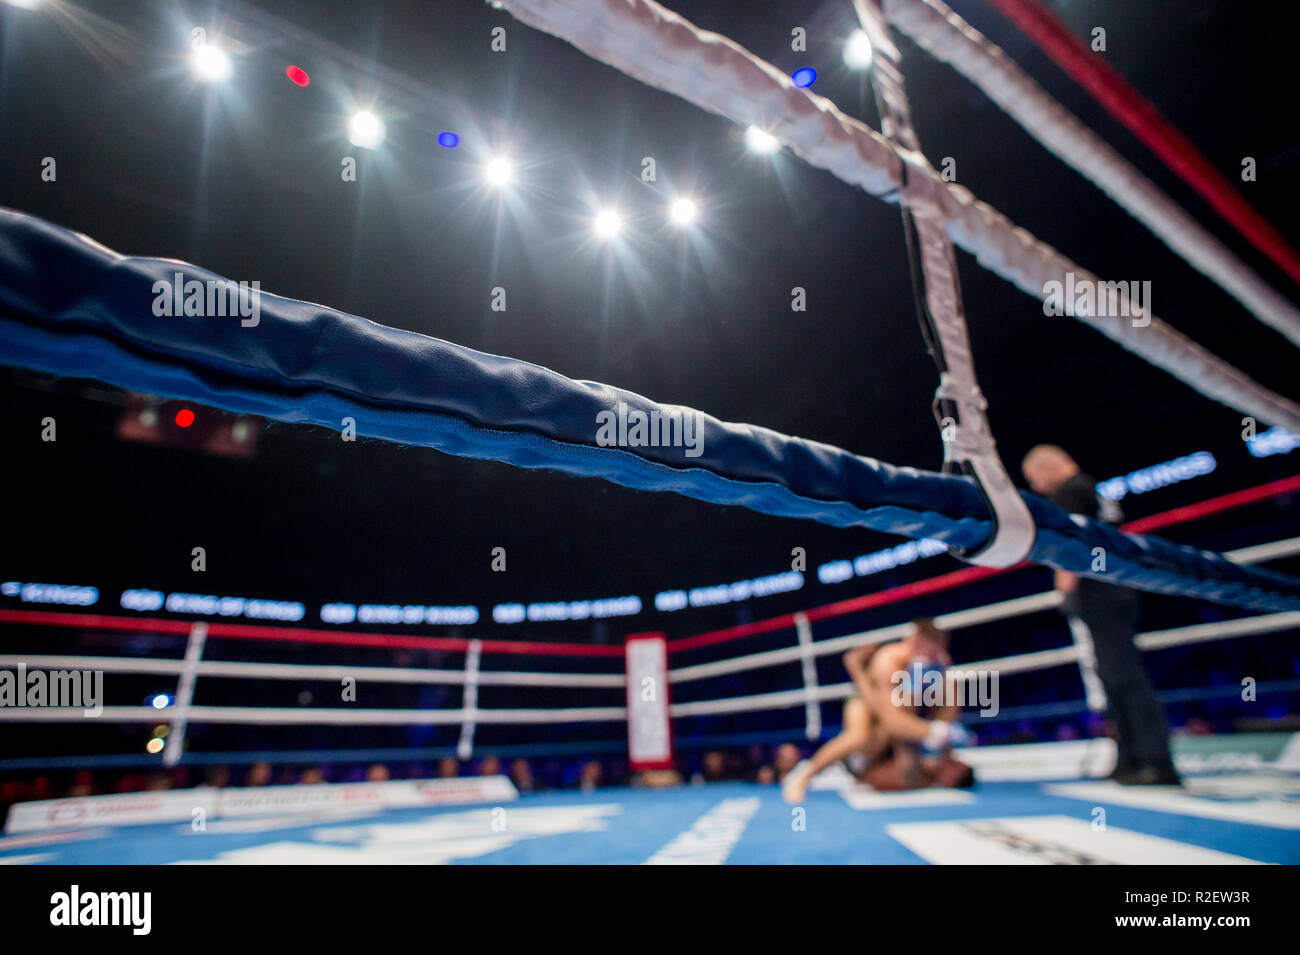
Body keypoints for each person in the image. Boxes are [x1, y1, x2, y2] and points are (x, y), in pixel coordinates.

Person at [1022, 444, 1179, 785]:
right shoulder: (1092, 488)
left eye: (1035, 478)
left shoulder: (1070, 491)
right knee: (1115, 675)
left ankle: (1155, 761)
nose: (1036, 488)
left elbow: (1070, 546)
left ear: (1048, 468)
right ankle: (1130, 758)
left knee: (1123, 677)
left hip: (1098, 591)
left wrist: (1065, 588)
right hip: (1118, 585)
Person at [783, 619, 973, 803]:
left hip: (904, 718)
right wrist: (937, 731)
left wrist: (945, 730)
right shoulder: (888, 660)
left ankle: (936, 762)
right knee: (858, 735)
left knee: (910, 775)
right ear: (912, 642)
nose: (931, 658)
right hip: (868, 706)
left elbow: (936, 706)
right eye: (927, 651)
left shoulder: (939, 662)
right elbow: (890, 718)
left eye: (935, 653)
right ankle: (803, 776)